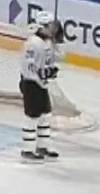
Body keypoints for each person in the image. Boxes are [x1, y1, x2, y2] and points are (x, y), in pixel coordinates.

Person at [19, 10, 65, 160]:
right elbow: (28, 65)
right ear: (42, 26)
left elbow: (60, 58)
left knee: (45, 115)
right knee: (32, 116)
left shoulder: (49, 42)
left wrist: (59, 42)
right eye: (51, 26)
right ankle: (27, 150)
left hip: (42, 84)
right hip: (31, 83)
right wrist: (43, 73)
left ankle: (42, 146)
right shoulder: (32, 43)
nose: (54, 29)